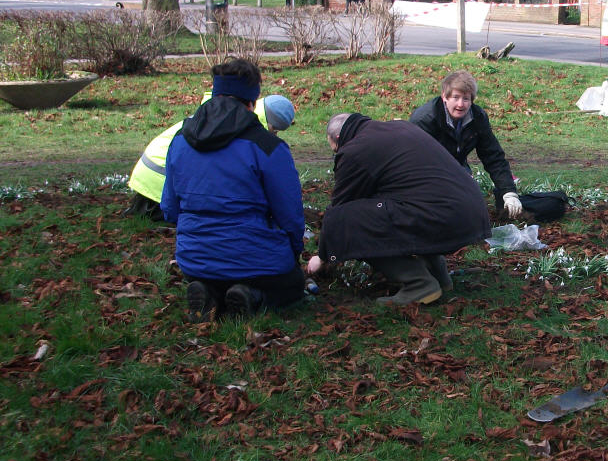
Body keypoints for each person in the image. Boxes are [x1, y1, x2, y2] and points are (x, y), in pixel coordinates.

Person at [161, 59, 305, 320]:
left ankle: (209, 292)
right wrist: (295, 249)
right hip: (255, 259)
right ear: (253, 100)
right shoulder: (267, 146)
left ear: (214, 92)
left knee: (215, 273)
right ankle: (253, 297)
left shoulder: (180, 140)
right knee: (293, 285)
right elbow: (290, 214)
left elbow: (170, 208)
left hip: (194, 259)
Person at [307, 113, 491, 307]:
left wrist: (323, 255)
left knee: (350, 220)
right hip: (469, 212)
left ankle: (419, 284)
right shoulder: (401, 128)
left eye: (334, 149)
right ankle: (439, 275)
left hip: (443, 216)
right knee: (400, 203)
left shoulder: (356, 149)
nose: (336, 153)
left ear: (337, 138)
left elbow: (340, 207)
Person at [126, 94, 296, 221]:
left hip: (148, 174)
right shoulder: (246, 133)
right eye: (275, 131)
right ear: (271, 125)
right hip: (157, 183)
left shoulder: (222, 115)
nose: (275, 135)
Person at [409, 70, 524, 217]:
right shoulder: (425, 120)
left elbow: (493, 156)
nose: (460, 104)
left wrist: (509, 192)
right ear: (444, 96)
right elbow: (417, 164)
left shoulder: (478, 117)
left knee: (472, 208)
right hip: (425, 175)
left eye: (466, 99)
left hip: (458, 171)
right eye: (455, 97)